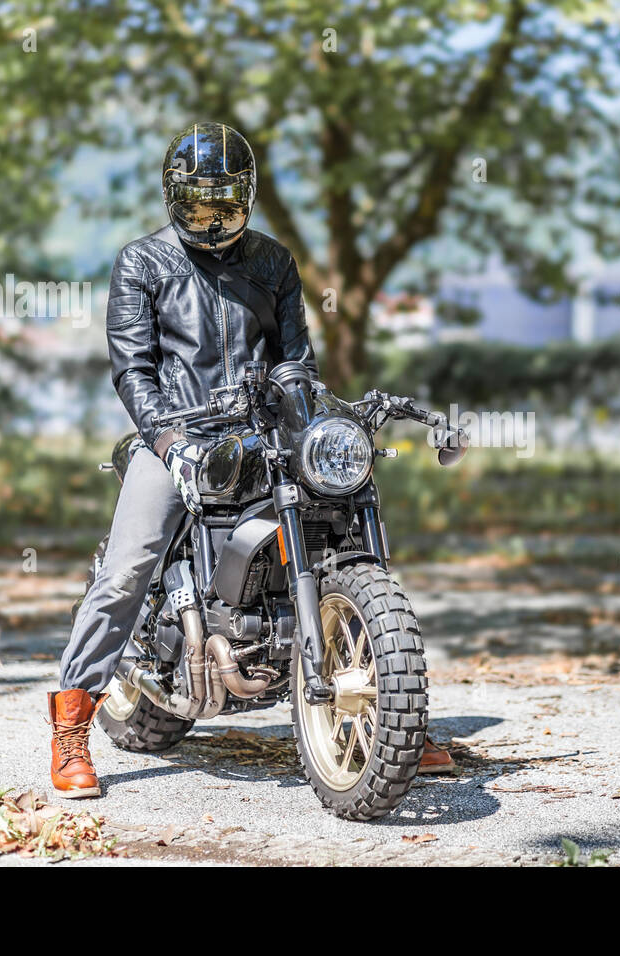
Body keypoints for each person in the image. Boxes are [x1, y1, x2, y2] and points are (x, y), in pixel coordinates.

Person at [48, 122, 453, 799]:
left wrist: (316, 419)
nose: (213, 218)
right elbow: (133, 371)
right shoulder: (141, 263)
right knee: (126, 570)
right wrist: (169, 443)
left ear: (249, 198)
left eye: (227, 205)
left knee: (347, 528)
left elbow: (294, 360)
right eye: (200, 205)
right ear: (174, 198)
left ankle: (396, 715)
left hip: (261, 430)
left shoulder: (273, 261)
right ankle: (70, 728)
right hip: (175, 433)